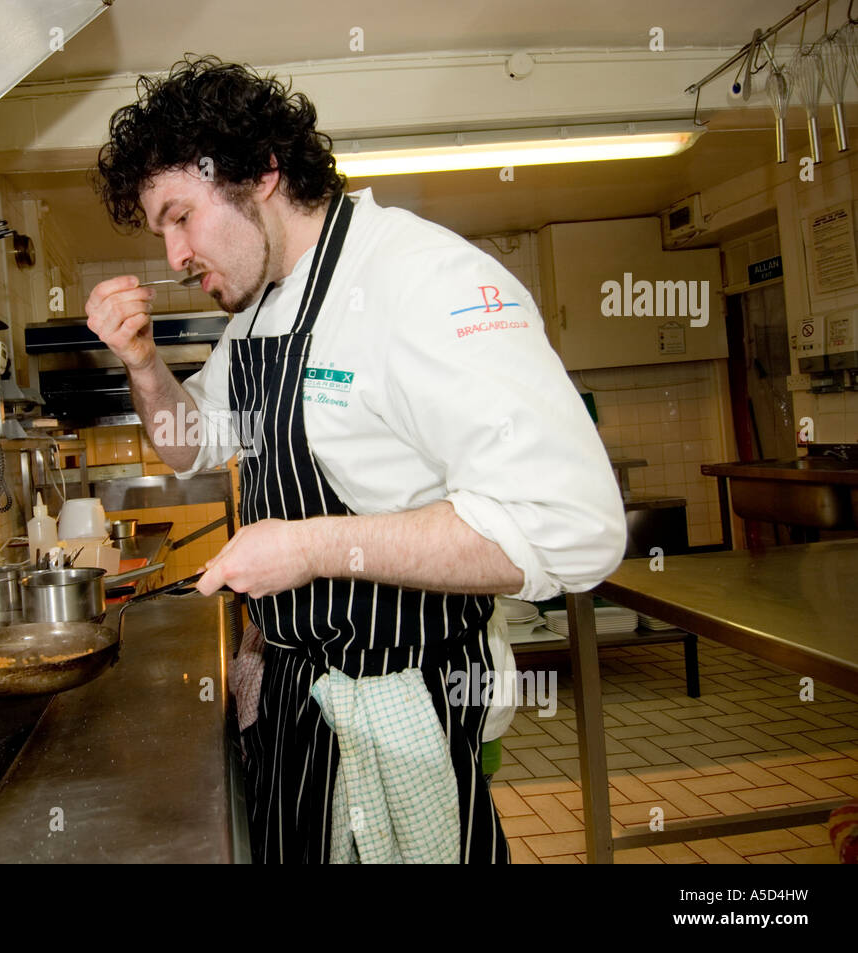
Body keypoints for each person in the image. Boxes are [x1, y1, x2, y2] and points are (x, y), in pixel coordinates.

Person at [85, 55, 626, 864]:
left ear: (262, 172)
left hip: (409, 708)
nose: (173, 256)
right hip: (301, 701)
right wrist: (141, 363)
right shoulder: (264, 308)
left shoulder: (424, 282)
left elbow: (573, 528)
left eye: (179, 216)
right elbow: (192, 441)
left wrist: (308, 546)